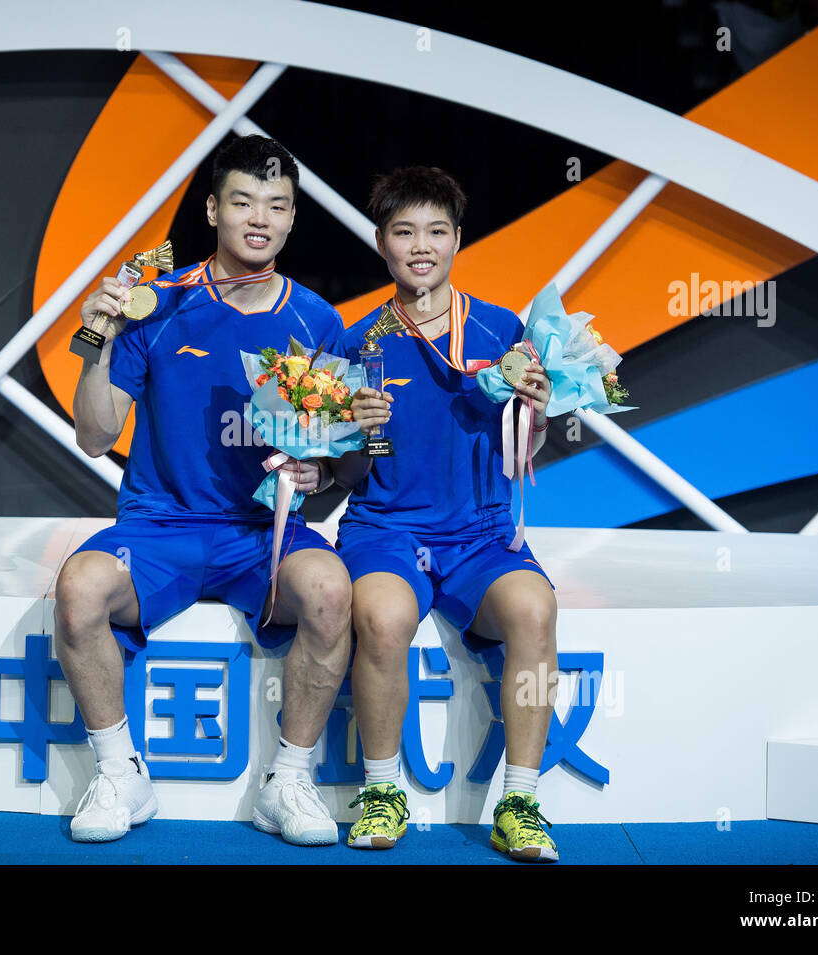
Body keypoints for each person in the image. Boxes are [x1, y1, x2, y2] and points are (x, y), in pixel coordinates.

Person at [55, 134, 376, 847]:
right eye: (242, 201)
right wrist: (100, 339)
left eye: (277, 205)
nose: (259, 217)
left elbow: (341, 461)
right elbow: (93, 434)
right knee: (78, 587)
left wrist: (318, 471)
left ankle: (286, 780)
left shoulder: (317, 321)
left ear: (292, 220)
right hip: (160, 528)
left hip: (262, 534)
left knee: (329, 589)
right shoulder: (157, 305)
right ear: (212, 209)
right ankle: (120, 772)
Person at [330, 166, 561, 861]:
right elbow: (346, 477)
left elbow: (527, 452)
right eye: (404, 232)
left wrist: (539, 412)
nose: (420, 245)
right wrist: (349, 431)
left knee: (534, 610)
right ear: (381, 242)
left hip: (483, 534)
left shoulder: (501, 328)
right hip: (385, 530)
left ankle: (519, 799)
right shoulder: (354, 343)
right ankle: (381, 788)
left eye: (436, 230)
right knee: (381, 616)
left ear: (458, 238)